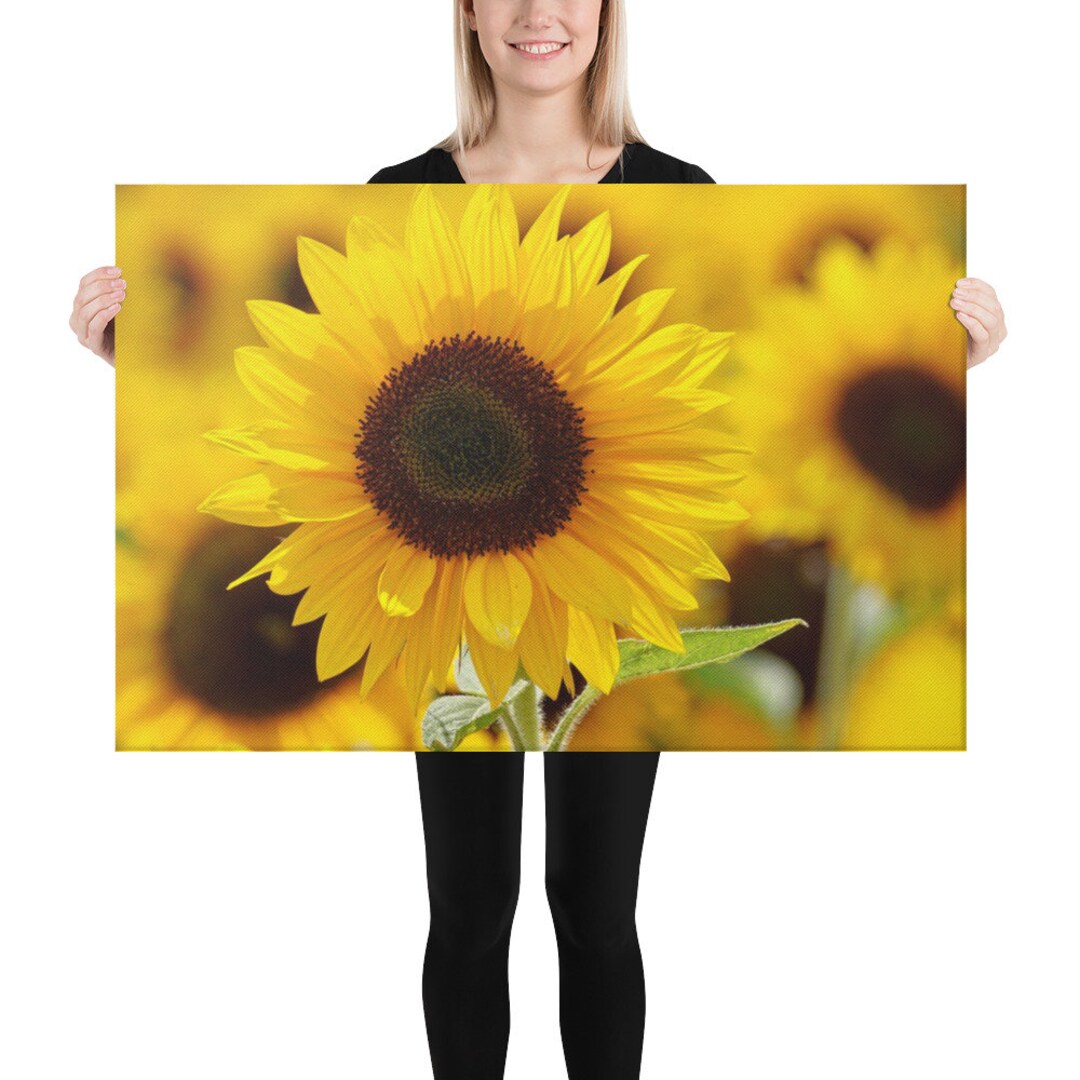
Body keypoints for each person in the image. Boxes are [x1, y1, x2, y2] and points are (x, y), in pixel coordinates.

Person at [71, 2, 1007, 1078]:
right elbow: (307, 393)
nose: (536, 16)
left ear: (609, 19)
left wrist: (968, 356)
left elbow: (668, 412)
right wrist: (117, 350)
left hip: (590, 624)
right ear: (465, 20)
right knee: (469, 913)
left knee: (595, 912)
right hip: (434, 633)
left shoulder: (678, 192)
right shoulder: (401, 194)